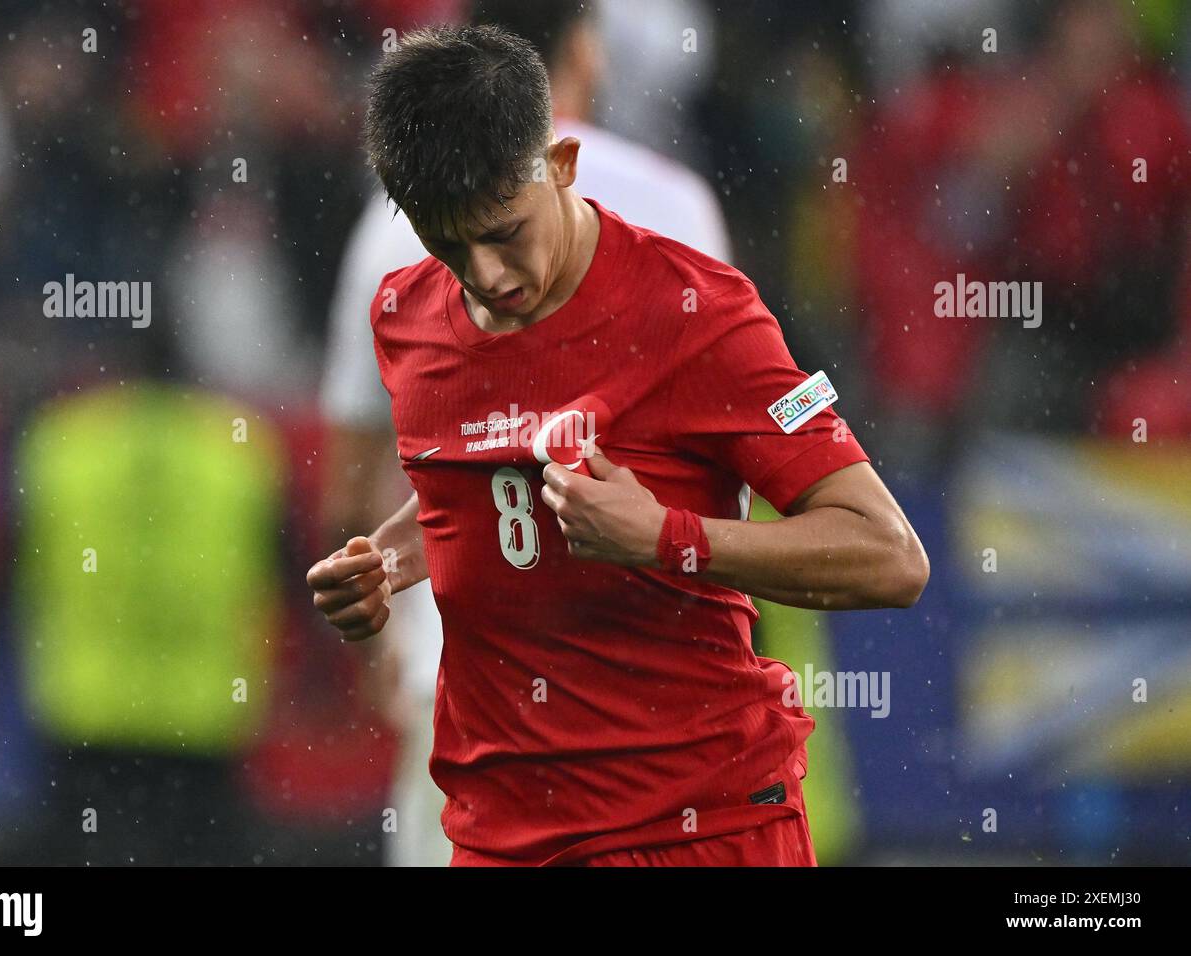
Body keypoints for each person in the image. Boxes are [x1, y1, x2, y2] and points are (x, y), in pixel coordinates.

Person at [308, 23, 929, 867]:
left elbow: (892, 557)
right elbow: (487, 476)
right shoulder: (404, 317)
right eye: (448, 242)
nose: (486, 274)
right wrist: (386, 559)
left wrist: (668, 540)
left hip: (699, 826)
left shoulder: (708, 316)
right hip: (500, 838)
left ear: (560, 165)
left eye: (504, 232)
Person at [319, 0, 730, 868]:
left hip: (464, 664)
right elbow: (727, 443)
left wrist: (377, 632)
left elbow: (354, 474)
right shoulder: (675, 202)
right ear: (584, 50)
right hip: (649, 665)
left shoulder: (391, 225)